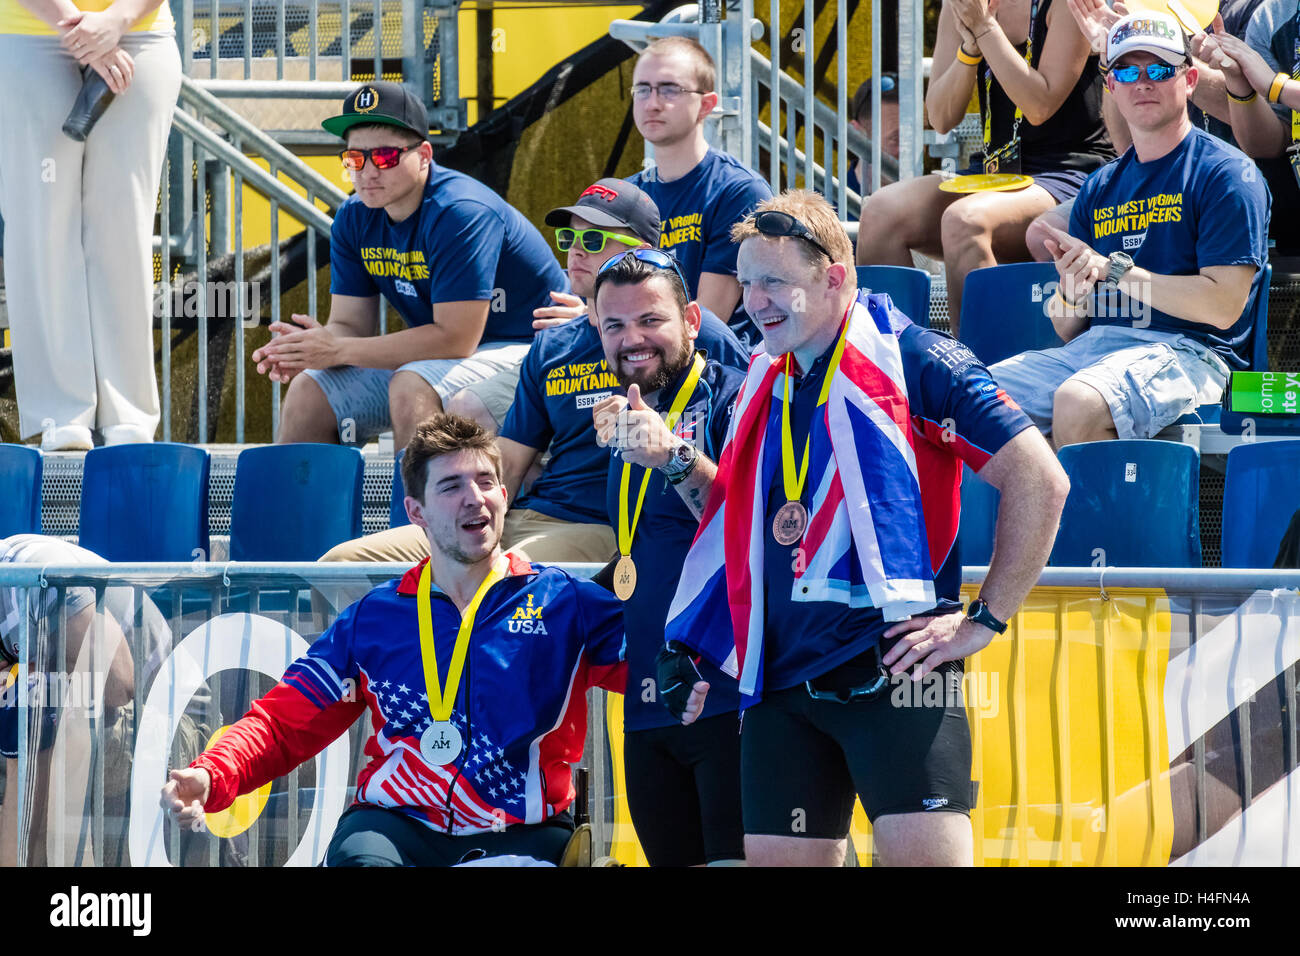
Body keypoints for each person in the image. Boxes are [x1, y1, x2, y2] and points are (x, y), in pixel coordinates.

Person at [658, 190, 1069, 867]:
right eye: (747, 281)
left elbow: (1040, 480)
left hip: (895, 672)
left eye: (774, 282)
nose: (754, 302)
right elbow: (736, 524)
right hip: (781, 683)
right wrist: (676, 467)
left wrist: (985, 619)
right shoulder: (761, 375)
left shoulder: (918, 359)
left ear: (834, 277)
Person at [161, 415, 627, 867]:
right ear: (416, 511)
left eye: (485, 482)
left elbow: (654, 669)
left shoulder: (563, 602)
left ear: (505, 497)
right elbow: (284, 722)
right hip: (396, 824)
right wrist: (212, 772)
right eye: (451, 486)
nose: (474, 498)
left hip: (521, 830)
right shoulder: (375, 617)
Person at [320, 179, 747, 566]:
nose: (576, 251)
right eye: (569, 238)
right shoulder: (553, 343)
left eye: (593, 238)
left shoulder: (691, 329)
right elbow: (510, 459)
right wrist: (465, 514)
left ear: (642, 250)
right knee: (343, 563)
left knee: (501, 577)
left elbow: (743, 426)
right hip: (524, 517)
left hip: (603, 527)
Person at [990, 13, 1270, 448]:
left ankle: (1081, 498)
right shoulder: (1099, 186)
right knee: (975, 397)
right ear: (1111, 86)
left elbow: (1222, 307)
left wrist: (1116, 271)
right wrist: (1072, 290)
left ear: (1189, 80)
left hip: (1193, 352)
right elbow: (1067, 328)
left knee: (1077, 402)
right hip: (1096, 349)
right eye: (1125, 71)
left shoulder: (1227, 173)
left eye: (1159, 70)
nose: (1142, 82)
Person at [251, 82, 567, 450]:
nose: (368, 171)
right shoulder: (353, 217)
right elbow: (350, 326)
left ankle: (417, 492)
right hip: (447, 358)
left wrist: (337, 349)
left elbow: (455, 338)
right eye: (355, 158)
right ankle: (304, 494)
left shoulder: (461, 212)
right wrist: (310, 347)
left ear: (425, 155)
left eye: (385, 157)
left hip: (531, 350)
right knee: (309, 389)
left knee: (411, 385)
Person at [587, 250, 747, 866]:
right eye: (615, 325)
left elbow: (757, 529)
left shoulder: (737, 396)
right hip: (649, 706)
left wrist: (675, 457)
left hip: (730, 698)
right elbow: (644, 546)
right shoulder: (628, 414)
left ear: (692, 320)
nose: (632, 339)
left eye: (650, 320)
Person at [857, 0, 1113, 331]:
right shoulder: (962, 5)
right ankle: (894, 355)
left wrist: (985, 28)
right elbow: (941, 117)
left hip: (1069, 172)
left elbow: (1039, 105)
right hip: (996, 173)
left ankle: (975, 363)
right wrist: (968, 50)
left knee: (965, 220)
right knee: (880, 212)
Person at [0, 0, 180, 449]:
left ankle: (128, 414)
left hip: (140, 33)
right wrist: (85, 35)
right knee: (41, 227)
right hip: (29, 30)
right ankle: (59, 412)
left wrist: (115, 22)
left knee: (124, 231)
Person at [0, 534, 213, 867]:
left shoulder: (34, 573)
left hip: (178, 728)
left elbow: (118, 682)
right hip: (107, 715)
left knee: (29, 707)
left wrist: (31, 672)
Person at [628, 36, 773, 346]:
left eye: (669, 89)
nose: (652, 103)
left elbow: (705, 321)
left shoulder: (739, 191)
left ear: (706, 105)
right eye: (642, 89)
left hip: (711, 365)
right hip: (639, 351)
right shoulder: (626, 196)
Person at [1192, 0, 1300, 255]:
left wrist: (1277, 87)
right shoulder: (1271, 15)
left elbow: (1272, 85)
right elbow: (1265, 145)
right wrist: (1237, 79)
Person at [847, 74, 900, 196]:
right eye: (896, 139)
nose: (911, 153)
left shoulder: (935, 200)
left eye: (919, 139)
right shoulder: (825, 204)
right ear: (857, 136)